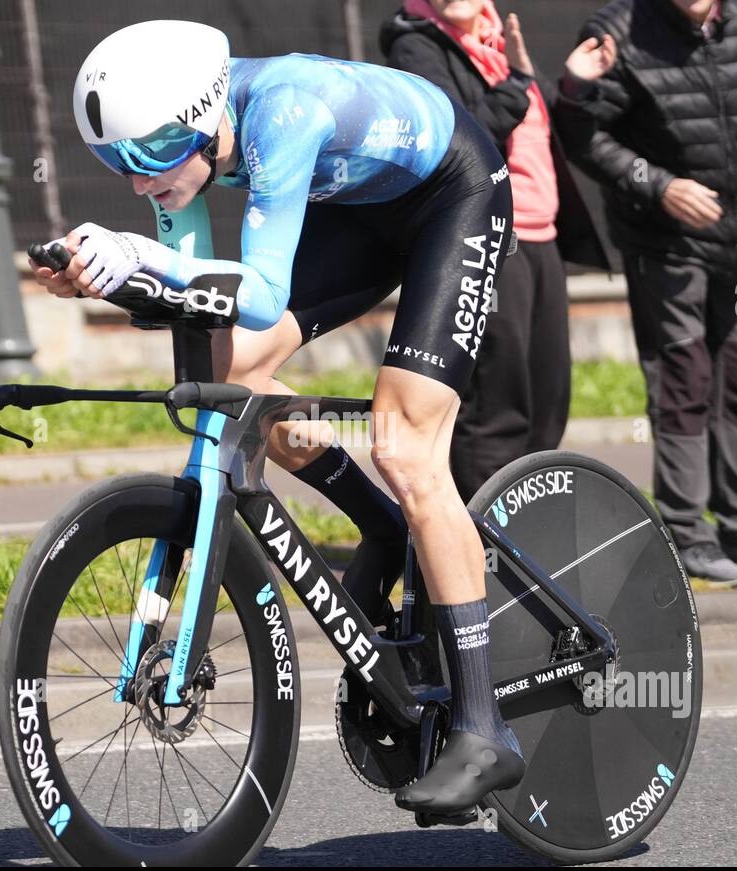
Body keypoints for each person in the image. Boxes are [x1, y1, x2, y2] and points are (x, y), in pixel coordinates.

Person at [32, 19, 522, 812]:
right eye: (116, 161)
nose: (136, 181)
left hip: (452, 194)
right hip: (358, 202)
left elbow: (255, 292)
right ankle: (385, 527)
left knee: (406, 446)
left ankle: (484, 726)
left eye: (150, 154)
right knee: (238, 378)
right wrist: (107, 277)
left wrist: (139, 253)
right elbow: (192, 304)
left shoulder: (282, 113)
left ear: (203, 115)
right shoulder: (188, 151)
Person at [567, 0, 737, 586]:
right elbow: (583, 131)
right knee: (683, 382)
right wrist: (658, 186)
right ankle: (686, 536)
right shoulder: (618, 31)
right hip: (662, 246)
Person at [381, 0, 615, 501]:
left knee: (547, 401)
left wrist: (569, 85)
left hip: (542, 238)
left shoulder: (496, 43)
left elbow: (553, 131)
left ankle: (528, 530)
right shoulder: (415, 43)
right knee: (495, 404)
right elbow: (455, 138)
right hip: (485, 236)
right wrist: (516, 84)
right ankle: (477, 546)